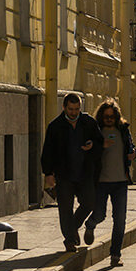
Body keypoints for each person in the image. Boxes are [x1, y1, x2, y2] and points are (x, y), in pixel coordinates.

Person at [41, 93, 103, 253]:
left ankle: (73, 226)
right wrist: (48, 173)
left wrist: (92, 146)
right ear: (64, 107)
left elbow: (100, 143)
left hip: (85, 172)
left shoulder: (88, 122)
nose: (74, 112)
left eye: (77, 109)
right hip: (64, 174)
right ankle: (69, 240)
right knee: (65, 208)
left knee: (89, 203)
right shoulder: (55, 126)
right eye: (71, 109)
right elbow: (48, 150)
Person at [83, 99, 136, 267]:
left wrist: (134, 153)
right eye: (106, 116)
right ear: (101, 116)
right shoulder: (95, 131)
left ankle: (115, 255)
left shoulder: (123, 129)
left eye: (111, 116)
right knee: (100, 214)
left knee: (120, 220)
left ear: (116, 116)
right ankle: (90, 225)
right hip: (101, 182)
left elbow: (131, 147)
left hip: (120, 181)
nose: (109, 119)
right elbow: (88, 152)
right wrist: (101, 146)